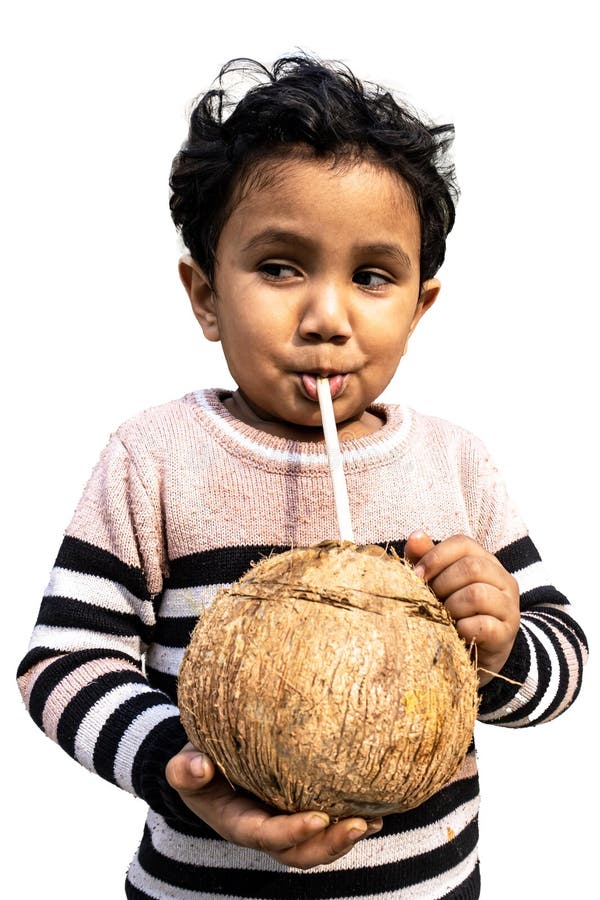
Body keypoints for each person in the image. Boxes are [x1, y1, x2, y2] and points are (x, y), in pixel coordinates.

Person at [17, 55, 588, 899]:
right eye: (281, 267)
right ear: (206, 295)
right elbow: (64, 664)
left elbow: (565, 657)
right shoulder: (155, 459)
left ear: (419, 307)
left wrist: (503, 646)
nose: (327, 318)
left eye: (371, 277)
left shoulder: (455, 465)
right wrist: (186, 769)